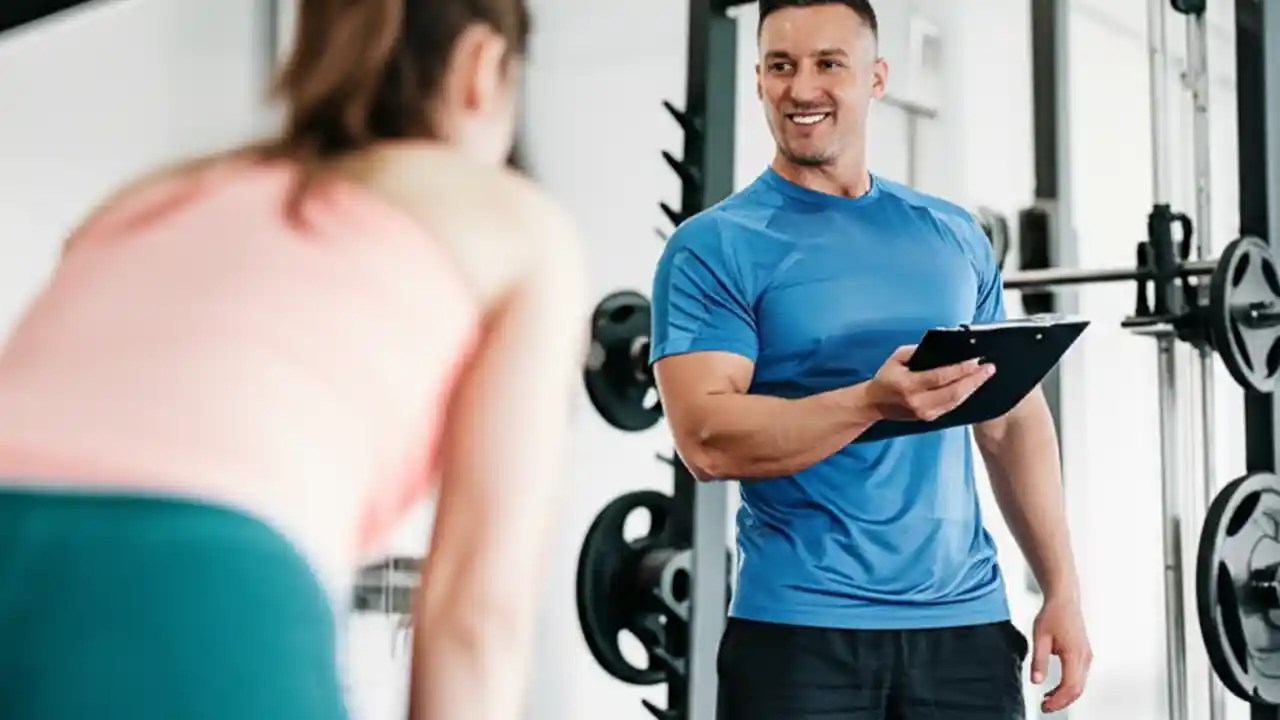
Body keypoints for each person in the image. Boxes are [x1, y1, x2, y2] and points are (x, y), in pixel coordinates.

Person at [0, 2, 587, 720]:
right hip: (194, 572)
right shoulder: (517, 221)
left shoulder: (150, 198)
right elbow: (475, 617)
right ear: (482, 68)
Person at [650, 1, 1092, 718]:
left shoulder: (953, 234)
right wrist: (868, 402)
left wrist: (1061, 588)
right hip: (800, 632)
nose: (802, 88)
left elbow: (1011, 420)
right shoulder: (714, 246)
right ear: (758, 79)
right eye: (781, 66)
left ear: (876, 78)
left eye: (829, 63)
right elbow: (705, 439)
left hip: (966, 630)